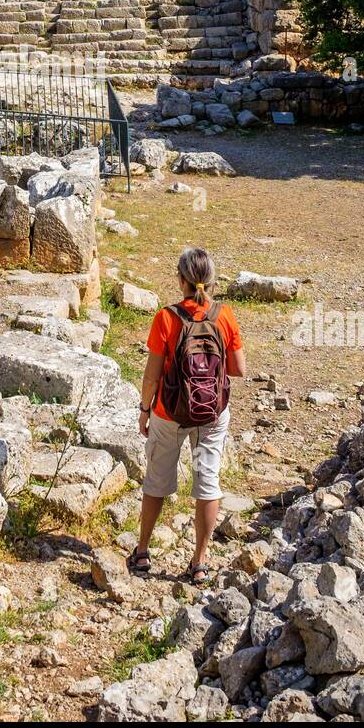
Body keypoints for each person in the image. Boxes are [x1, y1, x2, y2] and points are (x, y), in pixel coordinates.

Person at [129, 246, 246, 583]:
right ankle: (199, 562)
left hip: (169, 411)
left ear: (180, 280)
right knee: (207, 483)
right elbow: (238, 368)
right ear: (211, 281)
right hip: (211, 413)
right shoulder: (225, 316)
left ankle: (142, 553)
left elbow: (151, 375)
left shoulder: (166, 317)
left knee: (157, 481)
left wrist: (144, 410)